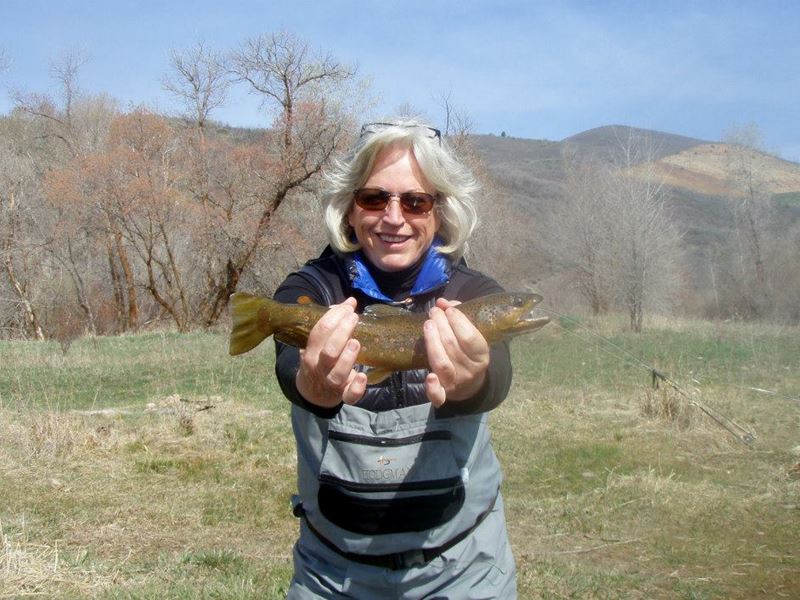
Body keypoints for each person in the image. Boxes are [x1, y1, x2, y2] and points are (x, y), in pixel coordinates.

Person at [274, 119, 517, 598]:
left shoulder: (476, 295)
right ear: (347, 209)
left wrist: (470, 383)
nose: (393, 217)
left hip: (464, 570)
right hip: (333, 573)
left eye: (415, 201)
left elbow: (498, 378)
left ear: (440, 212)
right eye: (373, 198)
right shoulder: (309, 292)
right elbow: (289, 370)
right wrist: (314, 386)